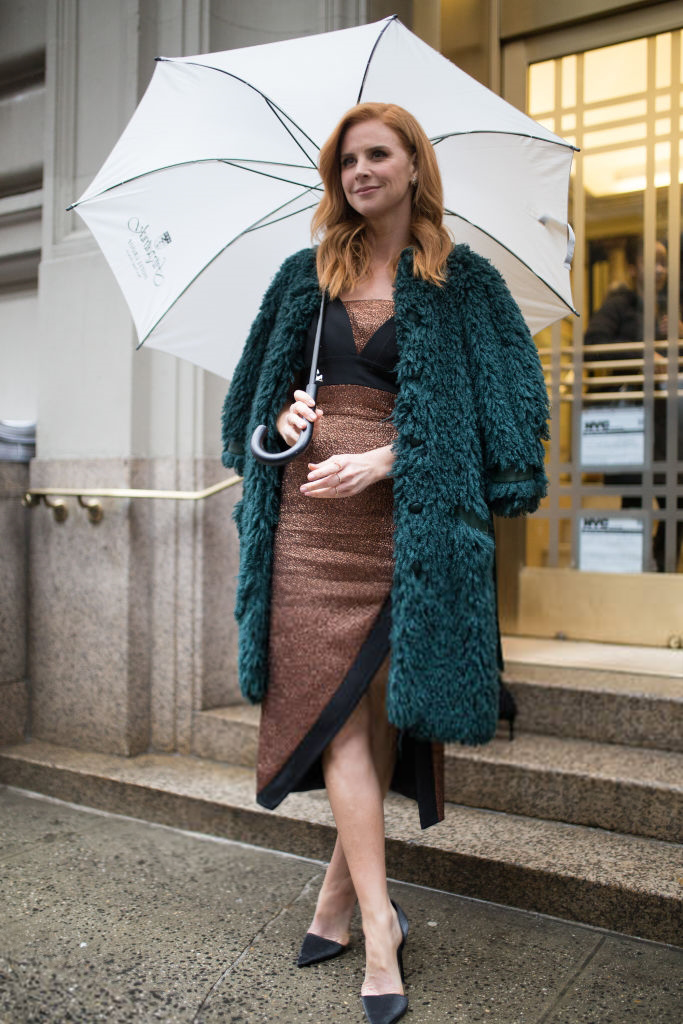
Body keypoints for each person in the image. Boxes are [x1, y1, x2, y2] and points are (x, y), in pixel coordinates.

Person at [220, 102, 549, 1024]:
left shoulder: (463, 281)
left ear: (411, 166)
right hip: (308, 526)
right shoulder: (304, 277)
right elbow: (248, 408)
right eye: (346, 160)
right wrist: (282, 417)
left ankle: (339, 902)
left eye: (376, 155)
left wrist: (393, 456)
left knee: (370, 714)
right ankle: (377, 929)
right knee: (336, 724)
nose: (359, 171)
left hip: (406, 529)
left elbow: (501, 415)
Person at [584, 237, 682, 570]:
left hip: (668, 424)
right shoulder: (620, 304)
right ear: (632, 268)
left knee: (675, 502)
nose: (660, 269)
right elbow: (593, 342)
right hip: (632, 422)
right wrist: (643, 355)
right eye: (652, 261)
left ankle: (659, 572)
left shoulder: (669, 308)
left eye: (664, 262)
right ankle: (634, 574)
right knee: (635, 501)